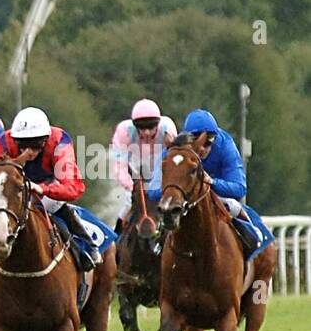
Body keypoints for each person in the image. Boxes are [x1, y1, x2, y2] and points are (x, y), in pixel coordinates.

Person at [0, 107, 101, 271]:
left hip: (47, 187)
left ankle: (86, 246)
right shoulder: (3, 142)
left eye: (36, 145)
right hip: (14, 189)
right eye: (23, 146)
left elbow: (73, 187)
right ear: (15, 140)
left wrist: (42, 189)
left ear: (46, 140)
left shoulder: (60, 142)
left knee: (55, 205)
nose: (29, 152)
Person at [152, 109, 270, 258]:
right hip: (182, 201)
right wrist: (173, 187)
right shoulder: (175, 151)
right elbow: (152, 190)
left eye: (208, 143)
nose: (202, 148)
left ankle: (253, 251)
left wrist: (211, 182)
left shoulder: (225, 145)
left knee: (235, 208)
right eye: (196, 141)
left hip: (220, 200)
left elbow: (239, 188)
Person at [111, 99, 177, 232]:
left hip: (159, 167)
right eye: (142, 128)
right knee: (127, 202)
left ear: (158, 124)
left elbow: (173, 162)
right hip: (134, 169)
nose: (146, 132)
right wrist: (131, 187)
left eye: (151, 127)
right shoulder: (124, 131)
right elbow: (120, 166)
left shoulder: (167, 129)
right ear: (135, 126)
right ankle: (117, 235)